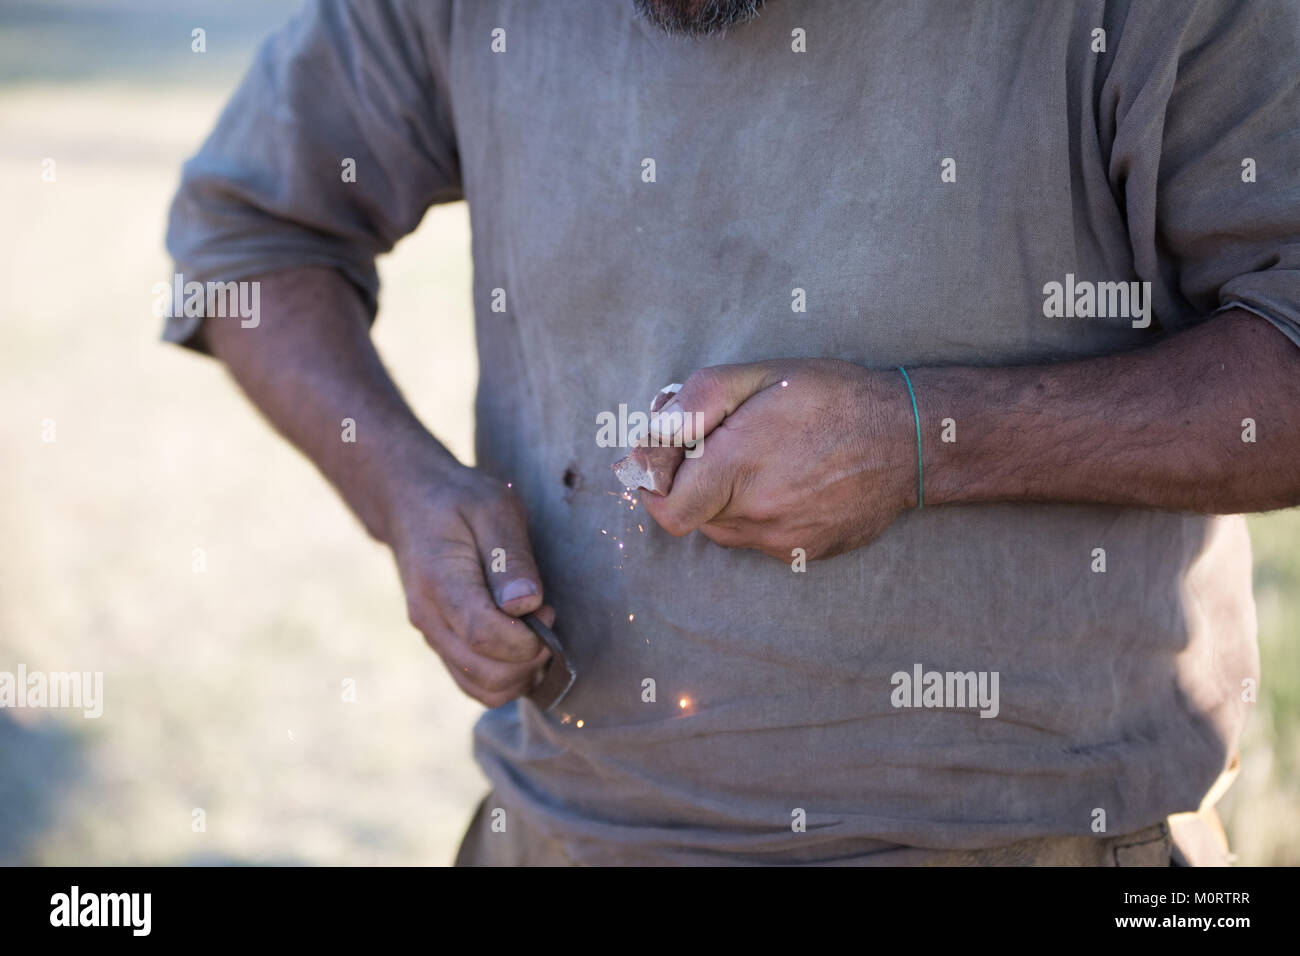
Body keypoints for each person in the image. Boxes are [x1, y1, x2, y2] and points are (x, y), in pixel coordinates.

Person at [163, 0, 1300, 865]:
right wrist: (405, 494)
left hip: (1058, 840)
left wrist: (925, 438)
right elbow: (250, 242)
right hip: (561, 831)